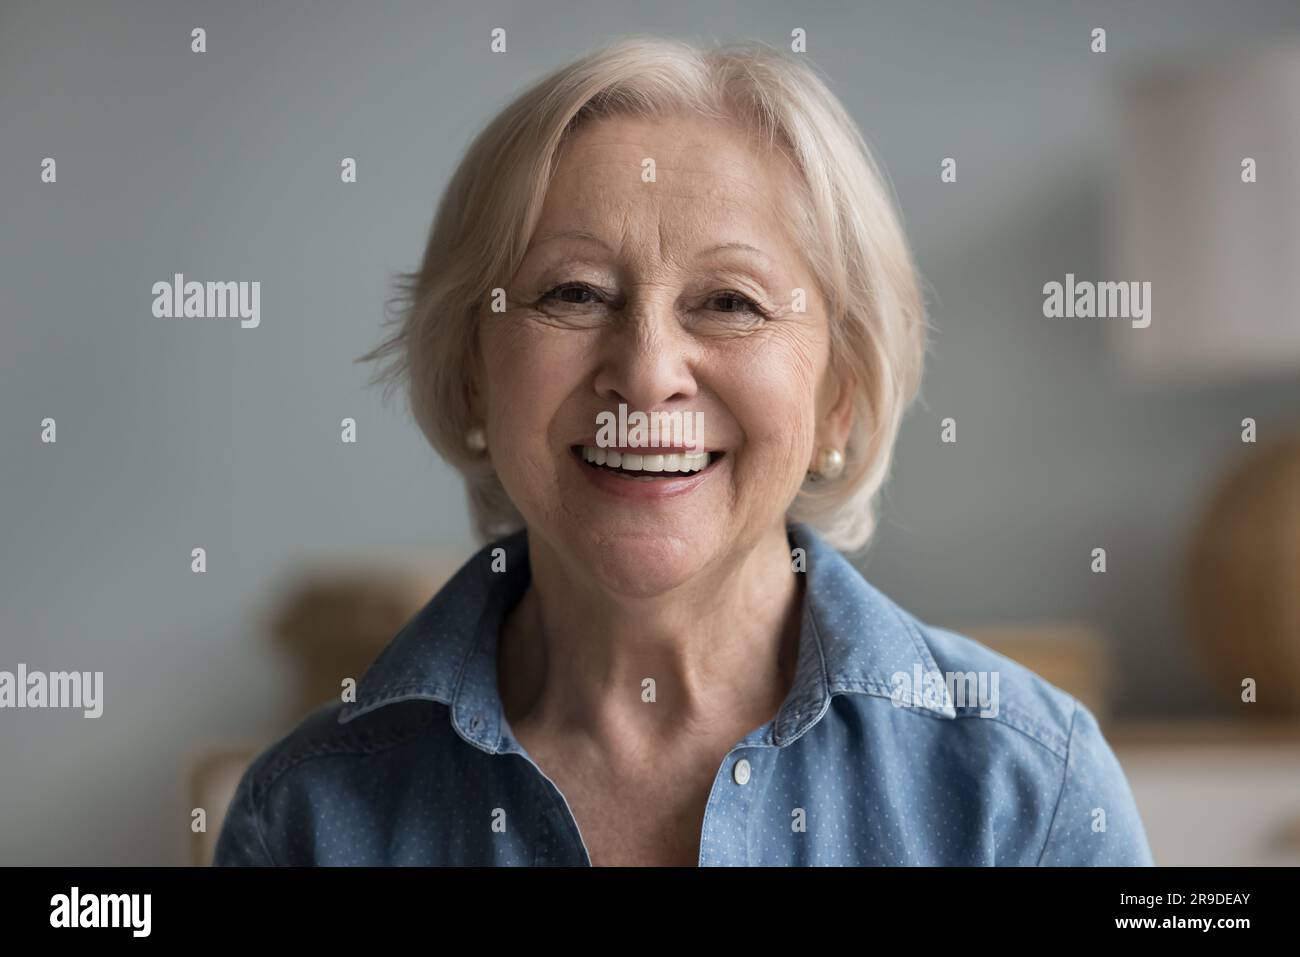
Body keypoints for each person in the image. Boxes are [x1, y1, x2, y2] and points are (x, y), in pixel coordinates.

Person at [214, 36, 1153, 866]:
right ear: (471, 376)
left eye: (731, 302)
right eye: (575, 293)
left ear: (839, 397)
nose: (648, 371)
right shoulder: (303, 818)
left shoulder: (1029, 792)